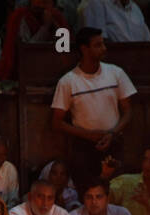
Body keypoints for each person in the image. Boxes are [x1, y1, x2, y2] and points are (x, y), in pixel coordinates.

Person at [50, 27, 136, 193]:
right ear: (84, 49)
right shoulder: (68, 81)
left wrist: (112, 134)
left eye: (103, 44)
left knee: (116, 192)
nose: (104, 48)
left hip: (114, 143)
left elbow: (128, 111)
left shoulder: (115, 73)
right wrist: (89, 135)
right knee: (88, 193)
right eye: (98, 45)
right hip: (84, 148)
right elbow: (56, 123)